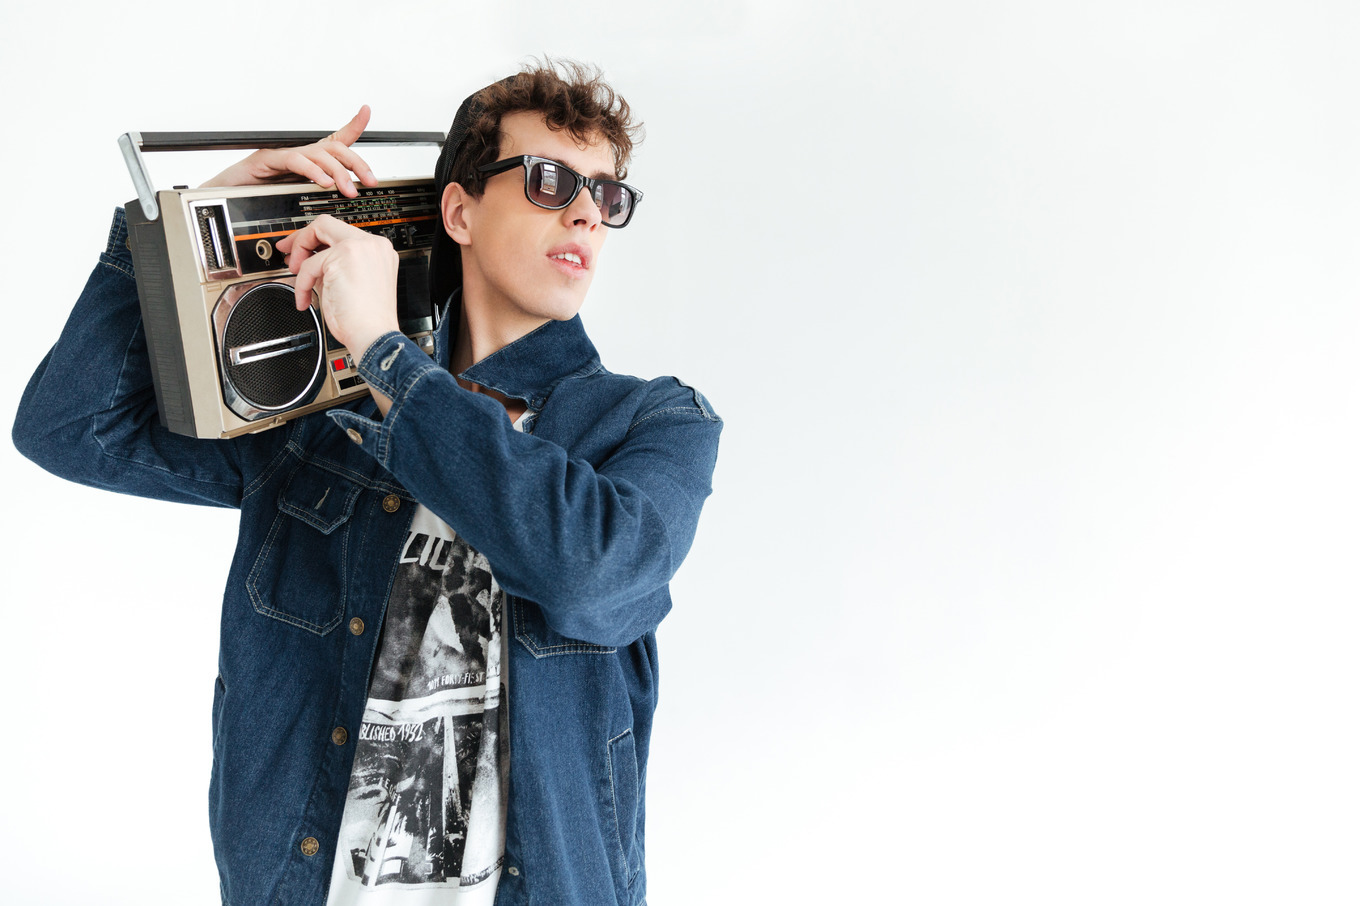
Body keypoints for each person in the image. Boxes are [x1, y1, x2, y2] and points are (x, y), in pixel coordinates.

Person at [12, 61, 721, 906]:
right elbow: (70, 428)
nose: (584, 214)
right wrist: (178, 230)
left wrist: (389, 355)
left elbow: (592, 572)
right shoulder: (317, 421)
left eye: (606, 195)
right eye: (548, 180)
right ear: (458, 209)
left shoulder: (655, 424)